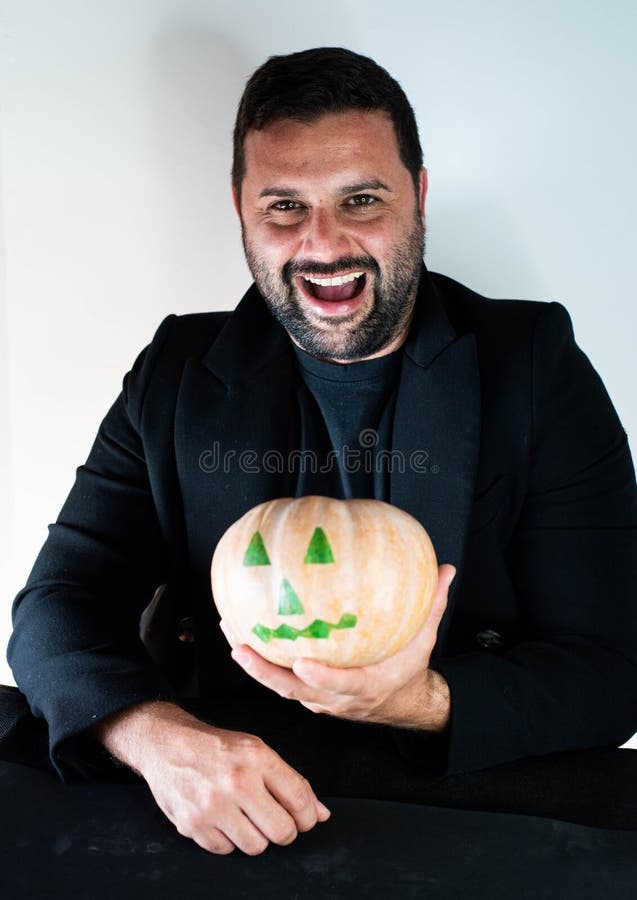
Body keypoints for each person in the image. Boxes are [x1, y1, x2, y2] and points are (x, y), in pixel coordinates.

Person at [5, 47, 637, 856]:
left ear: (418, 195)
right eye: (283, 207)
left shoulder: (532, 363)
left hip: (447, 780)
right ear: (240, 209)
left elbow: (611, 667)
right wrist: (158, 740)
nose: (322, 244)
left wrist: (419, 699)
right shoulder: (175, 370)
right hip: (224, 771)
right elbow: (58, 604)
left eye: (360, 199)